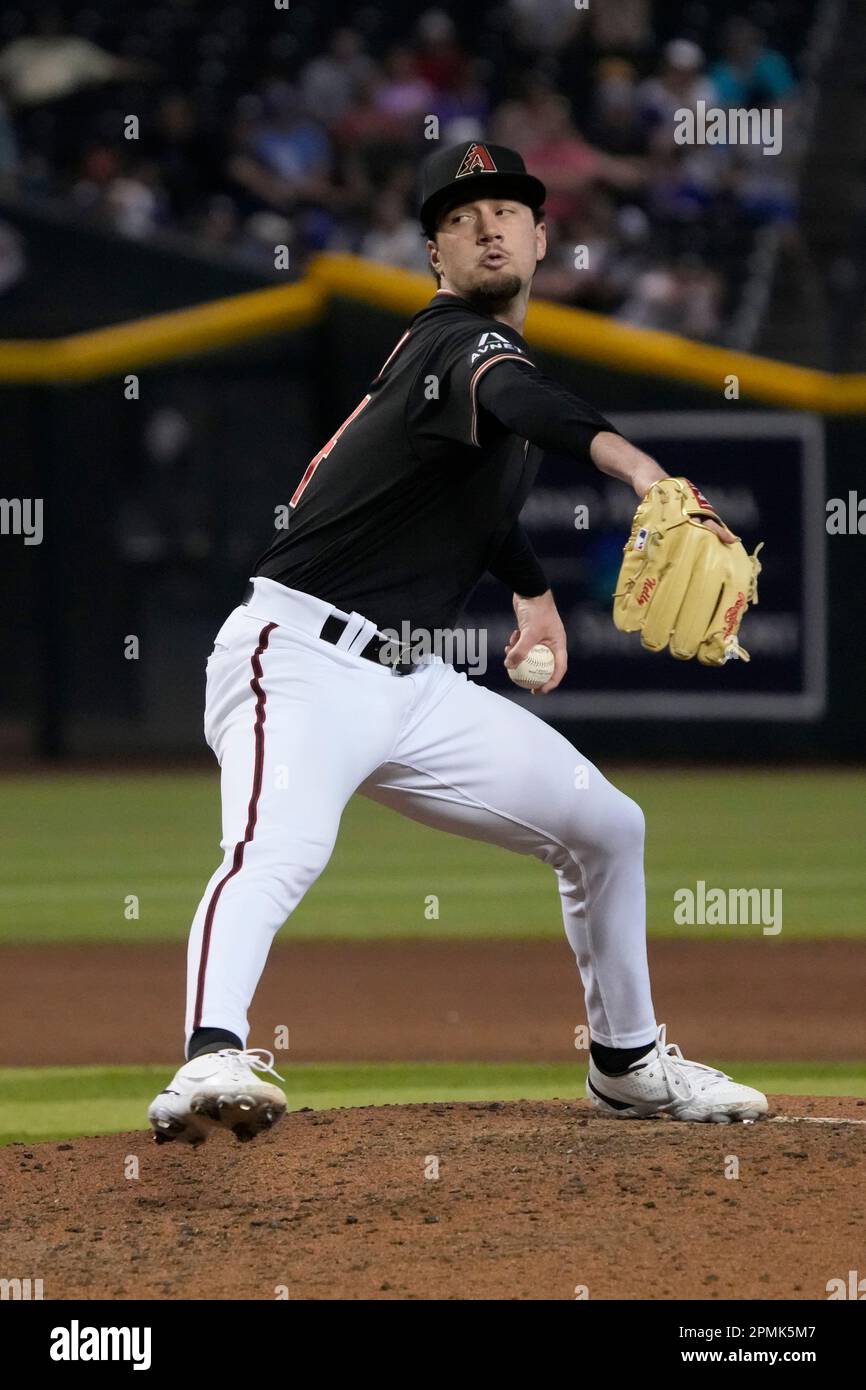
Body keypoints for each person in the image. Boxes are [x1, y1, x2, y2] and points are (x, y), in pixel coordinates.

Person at [148, 141, 767, 1144]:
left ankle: (626, 1064)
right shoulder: (455, 343)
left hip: (407, 682)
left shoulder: (476, 379)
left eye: (507, 210)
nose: (488, 225)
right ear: (433, 252)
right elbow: (531, 404)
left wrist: (532, 594)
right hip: (295, 657)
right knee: (277, 848)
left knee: (605, 827)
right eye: (461, 214)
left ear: (541, 235)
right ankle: (208, 1053)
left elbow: (473, 512)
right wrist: (644, 471)